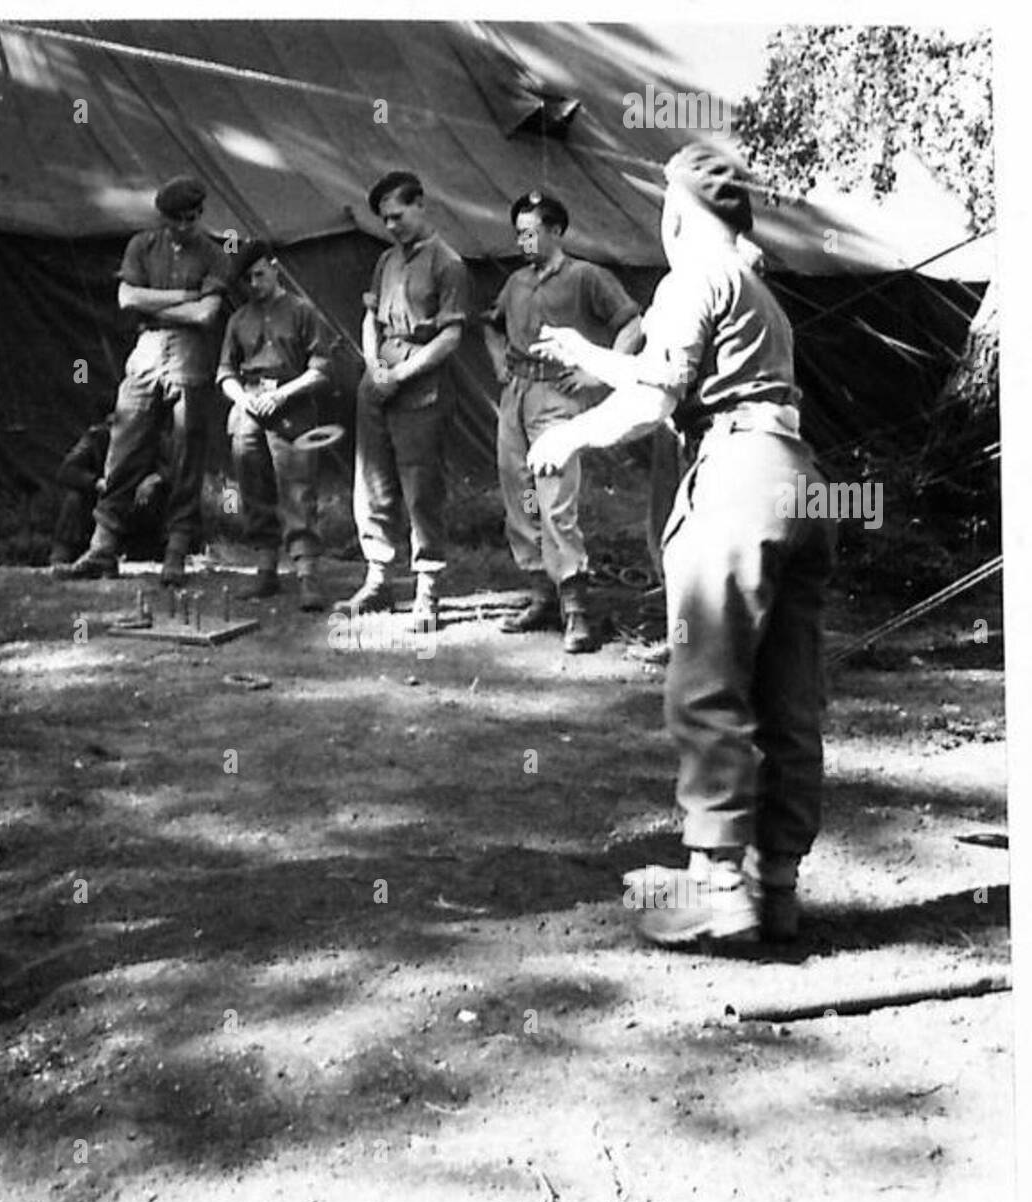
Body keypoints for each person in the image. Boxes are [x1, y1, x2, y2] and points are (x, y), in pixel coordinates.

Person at [527, 142, 836, 948]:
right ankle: (778, 888)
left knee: (707, 682)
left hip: (733, 479)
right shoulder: (760, 295)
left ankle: (718, 889)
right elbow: (680, 376)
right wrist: (589, 356)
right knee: (788, 693)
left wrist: (573, 436)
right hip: (797, 479)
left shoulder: (692, 274)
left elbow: (659, 395)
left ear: (675, 214)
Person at [483, 191, 642, 653]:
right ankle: (540, 594)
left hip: (557, 398)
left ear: (556, 231)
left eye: (532, 232)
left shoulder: (585, 277)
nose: (524, 241)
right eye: (518, 234)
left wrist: (599, 370)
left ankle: (575, 606)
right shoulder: (515, 283)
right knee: (521, 495)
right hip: (516, 398)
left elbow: (632, 324)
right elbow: (490, 323)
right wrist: (498, 364)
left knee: (554, 498)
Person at [58, 175, 229, 585]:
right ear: (163, 218)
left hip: (191, 356)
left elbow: (207, 315)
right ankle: (103, 547)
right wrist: (186, 297)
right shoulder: (141, 246)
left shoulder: (214, 253)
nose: (186, 226)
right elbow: (126, 299)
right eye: (177, 220)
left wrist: (155, 302)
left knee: (187, 455)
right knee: (124, 446)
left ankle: (176, 551)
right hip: (147, 354)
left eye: (193, 218)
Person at [340, 171, 470, 628]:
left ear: (421, 205)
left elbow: (451, 336)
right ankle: (378, 579)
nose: (392, 226)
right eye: (385, 220)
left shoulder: (448, 263)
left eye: (398, 216)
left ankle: (428, 589)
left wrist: (402, 373)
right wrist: (376, 366)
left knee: (421, 487)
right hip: (379, 381)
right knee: (371, 481)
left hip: (423, 385)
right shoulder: (386, 261)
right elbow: (370, 318)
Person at [216, 241, 334, 610]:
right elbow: (224, 371)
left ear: (275, 267)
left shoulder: (302, 311)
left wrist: (283, 394)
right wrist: (241, 398)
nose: (254, 284)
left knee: (298, 491)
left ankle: (307, 575)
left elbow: (321, 369)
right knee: (253, 491)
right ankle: (265, 571)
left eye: (259, 274)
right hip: (248, 409)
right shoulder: (239, 319)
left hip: (291, 409)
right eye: (247, 279)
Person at [48, 414, 167, 566]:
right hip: (99, 503)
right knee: (74, 498)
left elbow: (171, 469)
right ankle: (61, 557)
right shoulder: (96, 438)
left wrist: (154, 479)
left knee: (155, 495)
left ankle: (146, 554)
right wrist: (97, 483)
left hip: (134, 503)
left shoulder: (147, 441)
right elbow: (67, 470)